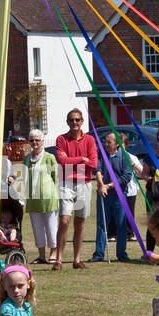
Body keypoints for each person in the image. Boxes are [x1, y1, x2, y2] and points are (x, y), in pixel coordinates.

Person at [54, 109, 97, 270]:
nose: (74, 123)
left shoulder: (90, 140)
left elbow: (93, 163)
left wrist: (73, 161)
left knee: (79, 222)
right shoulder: (61, 139)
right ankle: (58, 259)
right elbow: (62, 161)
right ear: (67, 122)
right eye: (71, 120)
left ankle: (76, 260)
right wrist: (81, 159)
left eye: (77, 120)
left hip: (84, 184)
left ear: (82, 121)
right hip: (66, 183)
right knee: (64, 220)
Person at [90, 130, 134, 262]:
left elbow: (126, 176)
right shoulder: (101, 153)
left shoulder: (125, 156)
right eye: (105, 141)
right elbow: (97, 169)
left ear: (117, 144)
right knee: (101, 224)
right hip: (103, 194)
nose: (106, 144)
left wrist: (108, 185)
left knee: (121, 224)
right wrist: (101, 185)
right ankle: (99, 254)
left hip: (119, 195)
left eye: (109, 142)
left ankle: (121, 253)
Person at [24, 129, 59, 265]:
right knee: (37, 228)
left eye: (37, 140)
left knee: (51, 227)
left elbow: (55, 177)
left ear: (42, 141)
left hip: (48, 199)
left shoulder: (49, 157)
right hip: (33, 200)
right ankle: (41, 255)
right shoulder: (26, 159)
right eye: (32, 140)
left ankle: (53, 253)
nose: (34, 142)